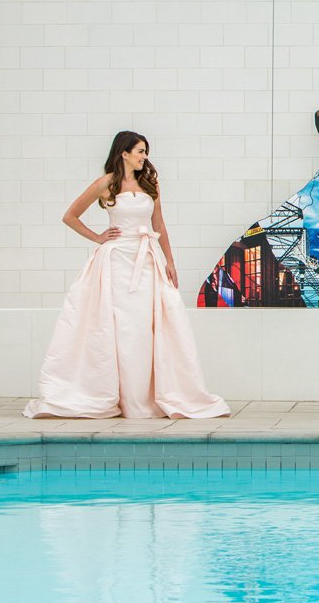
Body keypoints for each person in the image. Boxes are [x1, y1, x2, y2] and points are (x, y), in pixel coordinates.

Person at [24, 131, 230, 419]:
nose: (144, 157)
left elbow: (159, 224)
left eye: (145, 152)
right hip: (116, 262)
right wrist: (98, 237)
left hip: (146, 259)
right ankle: (115, 395)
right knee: (117, 327)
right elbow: (70, 216)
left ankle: (145, 396)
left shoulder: (150, 183)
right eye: (140, 151)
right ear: (124, 153)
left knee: (144, 326)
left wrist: (170, 261)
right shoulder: (105, 184)